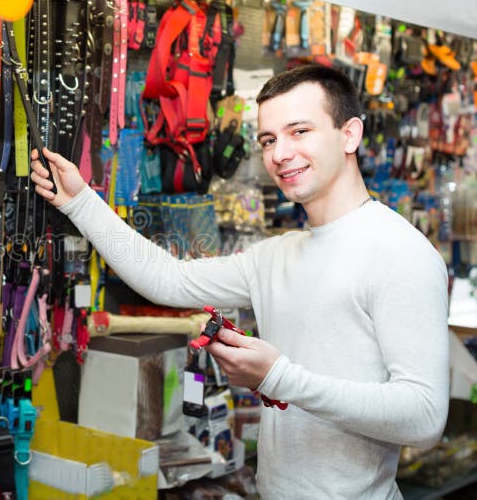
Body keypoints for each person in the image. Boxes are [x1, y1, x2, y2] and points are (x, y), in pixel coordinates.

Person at [29, 64, 449, 499]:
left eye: (299, 131)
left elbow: (423, 418)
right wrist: (81, 202)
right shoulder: (276, 255)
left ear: (350, 135)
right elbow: (167, 279)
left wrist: (277, 377)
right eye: (268, 139)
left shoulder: (400, 253)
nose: (280, 153)